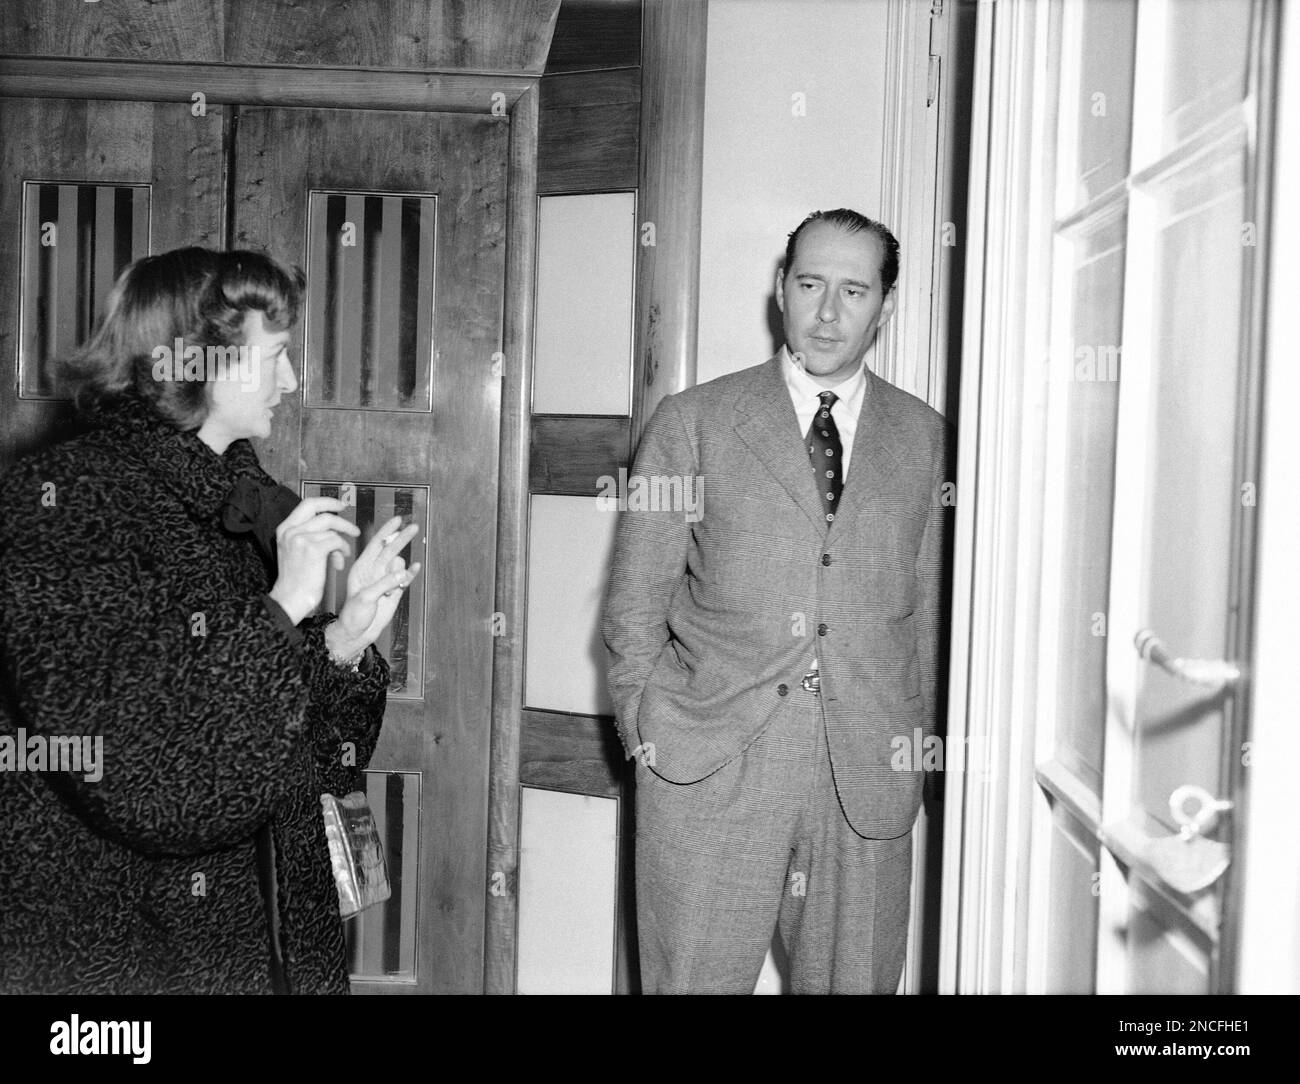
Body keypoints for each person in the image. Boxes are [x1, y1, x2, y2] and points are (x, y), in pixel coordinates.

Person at [0, 247, 422, 993]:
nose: (292, 384)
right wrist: (283, 607)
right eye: (278, 357)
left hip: (255, 935)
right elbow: (143, 778)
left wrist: (343, 641)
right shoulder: (63, 501)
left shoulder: (243, 501)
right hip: (126, 952)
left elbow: (301, 748)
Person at [602, 209, 949, 994]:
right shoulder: (694, 423)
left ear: (885, 306)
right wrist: (645, 734)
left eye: (853, 291)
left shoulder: (929, 440)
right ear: (780, 290)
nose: (828, 313)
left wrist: (920, 760)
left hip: (864, 775)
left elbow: (928, 620)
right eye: (810, 284)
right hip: (709, 765)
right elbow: (632, 606)